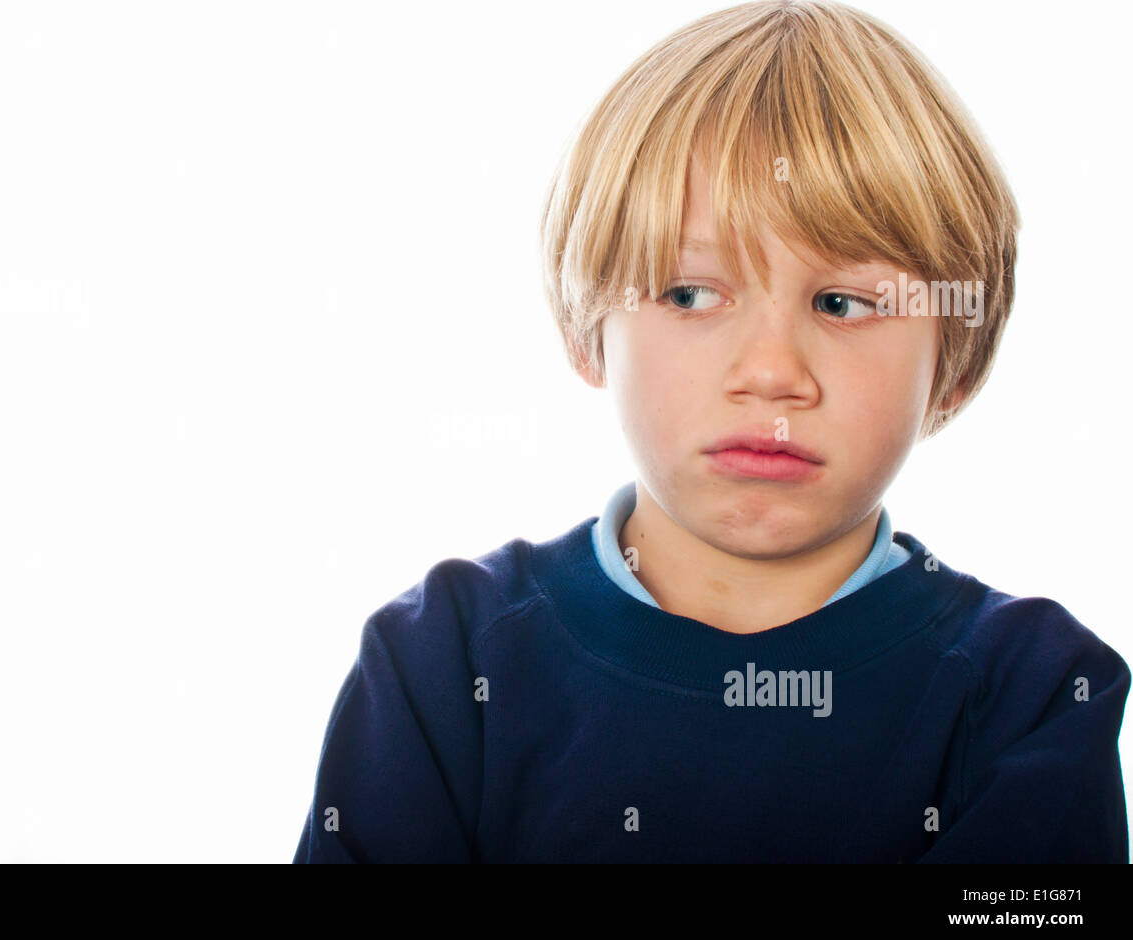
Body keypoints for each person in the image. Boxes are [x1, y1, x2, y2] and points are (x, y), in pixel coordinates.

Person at [292, 0, 1130, 862]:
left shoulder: (1036, 696)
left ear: (953, 361)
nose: (770, 372)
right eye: (689, 294)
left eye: (843, 303)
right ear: (590, 329)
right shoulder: (439, 666)